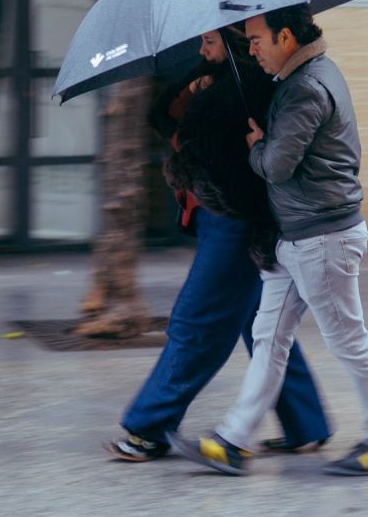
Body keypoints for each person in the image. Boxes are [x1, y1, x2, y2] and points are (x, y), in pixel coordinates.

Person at [167, 4, 368, 477]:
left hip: (322, 237)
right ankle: (233, 440)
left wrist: (256, 144)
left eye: (257, 39)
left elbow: (277, 166)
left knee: (348, 340)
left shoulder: (306, 88)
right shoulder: (300, 79)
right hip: (295, 237)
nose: (252, 49)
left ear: (285, 38)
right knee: (269, 337)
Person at [104, 23, 332, 462]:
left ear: (234, 44)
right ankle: (306, 424)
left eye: (210, 43)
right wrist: (195, 86)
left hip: (235, 220)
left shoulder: (251, 87)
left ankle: (149, 428)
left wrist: (203, 105)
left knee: (197, 321)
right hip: (220, 217)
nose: (202, 51)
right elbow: (162, 115)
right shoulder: (219, 78)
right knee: (259, 323)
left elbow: (193, 140)